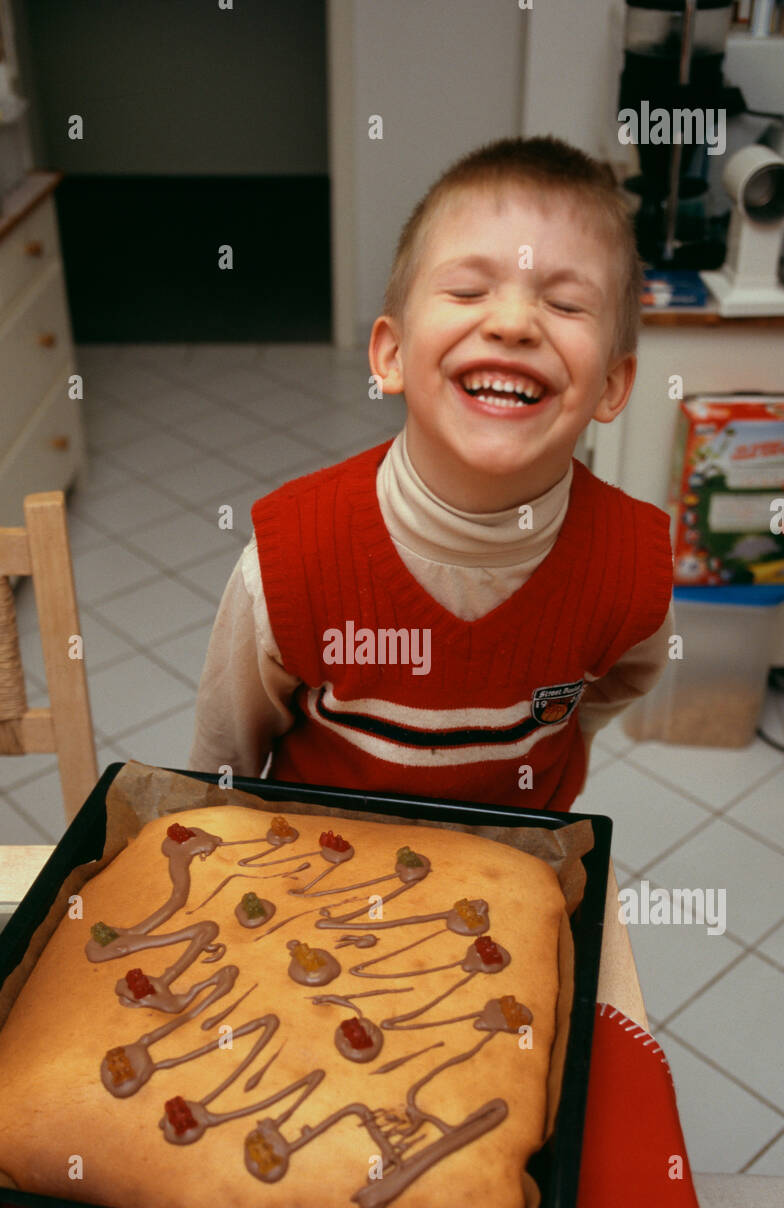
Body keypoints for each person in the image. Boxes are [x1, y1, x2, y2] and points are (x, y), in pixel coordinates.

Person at [189, 136, 673, 811]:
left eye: (564, 305)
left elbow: (615, 683)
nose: (512, 323)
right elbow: (224, 766)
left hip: (511, 868)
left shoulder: (631, 564)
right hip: (319, 878)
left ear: (611, 386)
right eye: (469, 290)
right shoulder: (288, 559)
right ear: (389, 354)